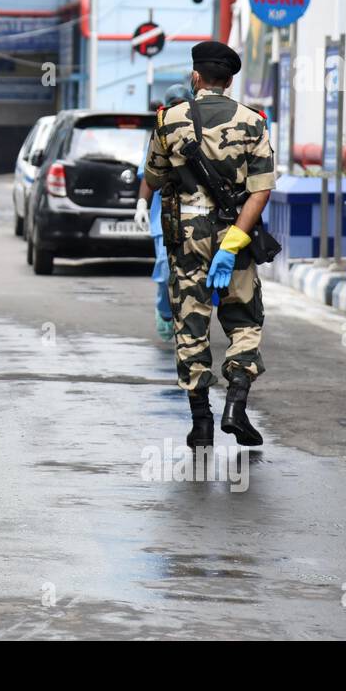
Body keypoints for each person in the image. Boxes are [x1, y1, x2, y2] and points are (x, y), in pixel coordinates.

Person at [142, 43, 274, 450]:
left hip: (186, 239)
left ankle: (201, 423)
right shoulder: (252, 122)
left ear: (195, 77)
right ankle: (236, 404)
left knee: (191, 324)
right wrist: (233, 243)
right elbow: (261, 190)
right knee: (244, 320)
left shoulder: (169, 120)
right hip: (235, 238)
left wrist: (144, 204)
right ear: (230, 80)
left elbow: (154, 177)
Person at [137, 86, 192, 343]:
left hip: (196, 216)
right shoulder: (160, 134)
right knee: (165, 271)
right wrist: (141, 204)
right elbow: (149, 175)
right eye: (175, 104)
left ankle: (191, 324)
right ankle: (164, 311)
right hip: (165, 217)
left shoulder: (202, 133)